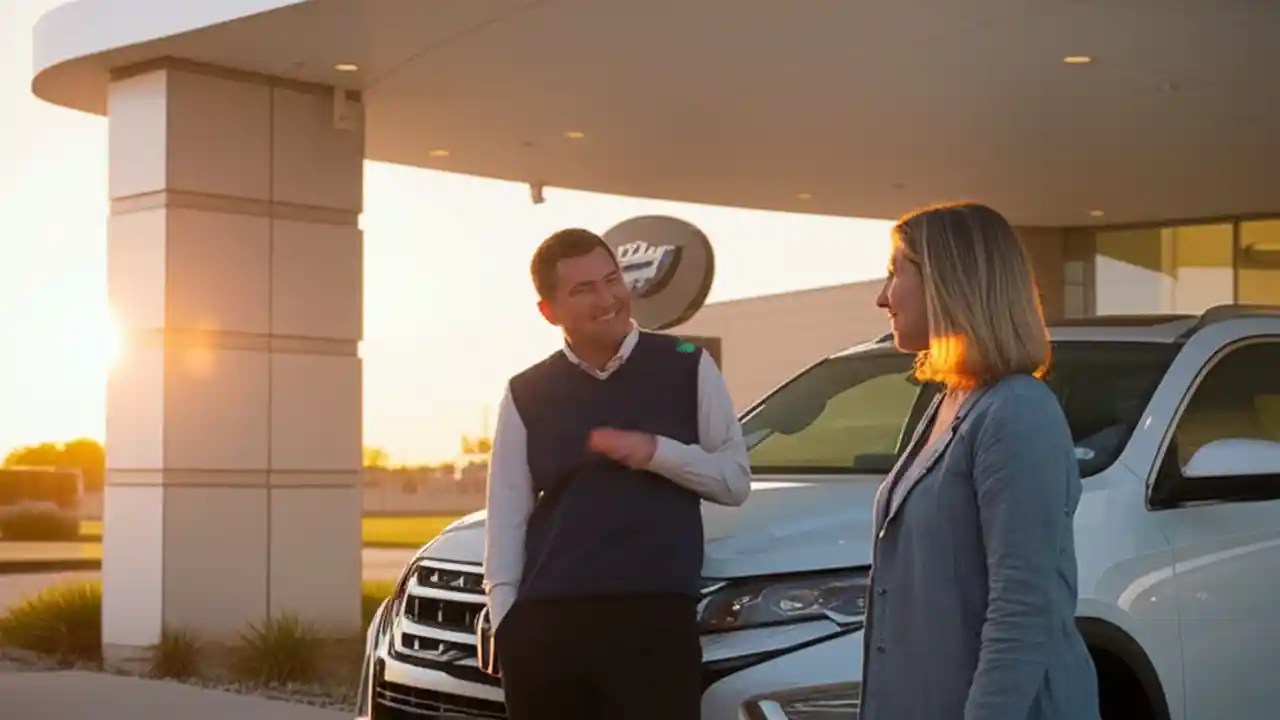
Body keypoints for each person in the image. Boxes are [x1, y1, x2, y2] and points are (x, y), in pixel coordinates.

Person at [482, 227, 752, 720]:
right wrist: (506, 622)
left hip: (654, 624)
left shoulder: (688, 365)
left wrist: (657, 451)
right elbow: (506, 518)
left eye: (612, 280)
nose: (607, 299)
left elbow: (734, 482)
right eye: (583, 289)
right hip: (547, 631)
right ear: (549, 311)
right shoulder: (526, 391)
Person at [860, 202, 1100, 719]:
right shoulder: (952, 400)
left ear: (951, 280)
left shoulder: (1017, 413)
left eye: (896, 272)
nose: (883, 297)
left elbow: (1020, 611)